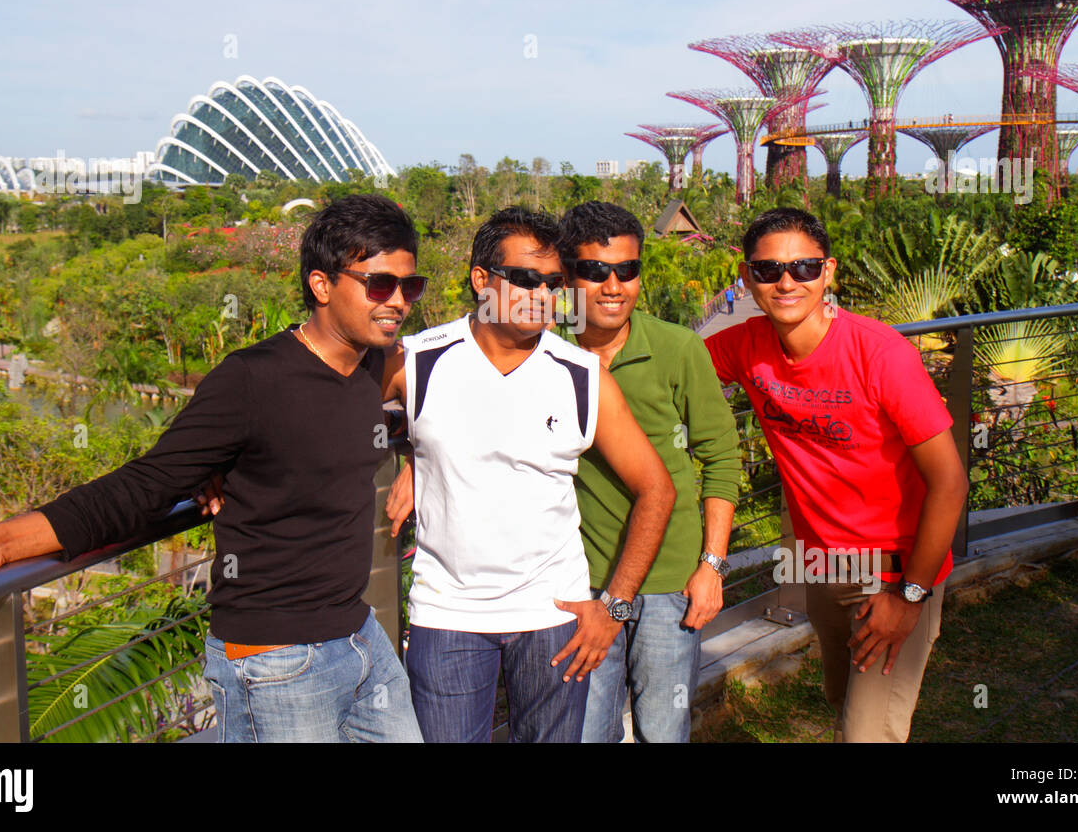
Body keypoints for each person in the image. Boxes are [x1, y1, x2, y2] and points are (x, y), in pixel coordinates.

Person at [0, 194, 427, 743]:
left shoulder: (375, 362)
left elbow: (450, 388)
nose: (398, 301)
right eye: (380, 285)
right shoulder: (251, 381)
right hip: (279, 659)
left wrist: (419, 459)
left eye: (410, 286)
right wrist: (0, 543)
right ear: (321, 285)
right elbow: (142, 488)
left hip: (360, 636)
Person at [383, 206, 675, 743]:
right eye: (522, 279)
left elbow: (657, 488)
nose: (540, 294)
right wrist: (408, 453)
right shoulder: (417, 361)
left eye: (552, 282)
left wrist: (613, 607)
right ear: (480, 279)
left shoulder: (582, 377)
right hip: (447, 613)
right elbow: (324, 409)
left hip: (553, 617)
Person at [703, 207, 968, 743]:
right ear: (747, 276)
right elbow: (666, 370)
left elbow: (950, 482)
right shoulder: (745, 346)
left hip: (894, 572)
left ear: (829, 272)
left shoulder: (881, 354)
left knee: (867, 735)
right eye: (767, 269)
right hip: (823, 567)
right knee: (841, 703)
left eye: (803, 268)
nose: (785, 281)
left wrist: (910, 596)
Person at [558, 201, 740, 743]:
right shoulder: (548, 353)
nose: (613, 286)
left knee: (663, 730)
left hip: (670, 582)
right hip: (583, 579)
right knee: (587, 732)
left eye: (628, 270)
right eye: (595, 271)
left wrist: (712, 564)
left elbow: (720, 454)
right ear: (567, 276)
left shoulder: (676, 347)